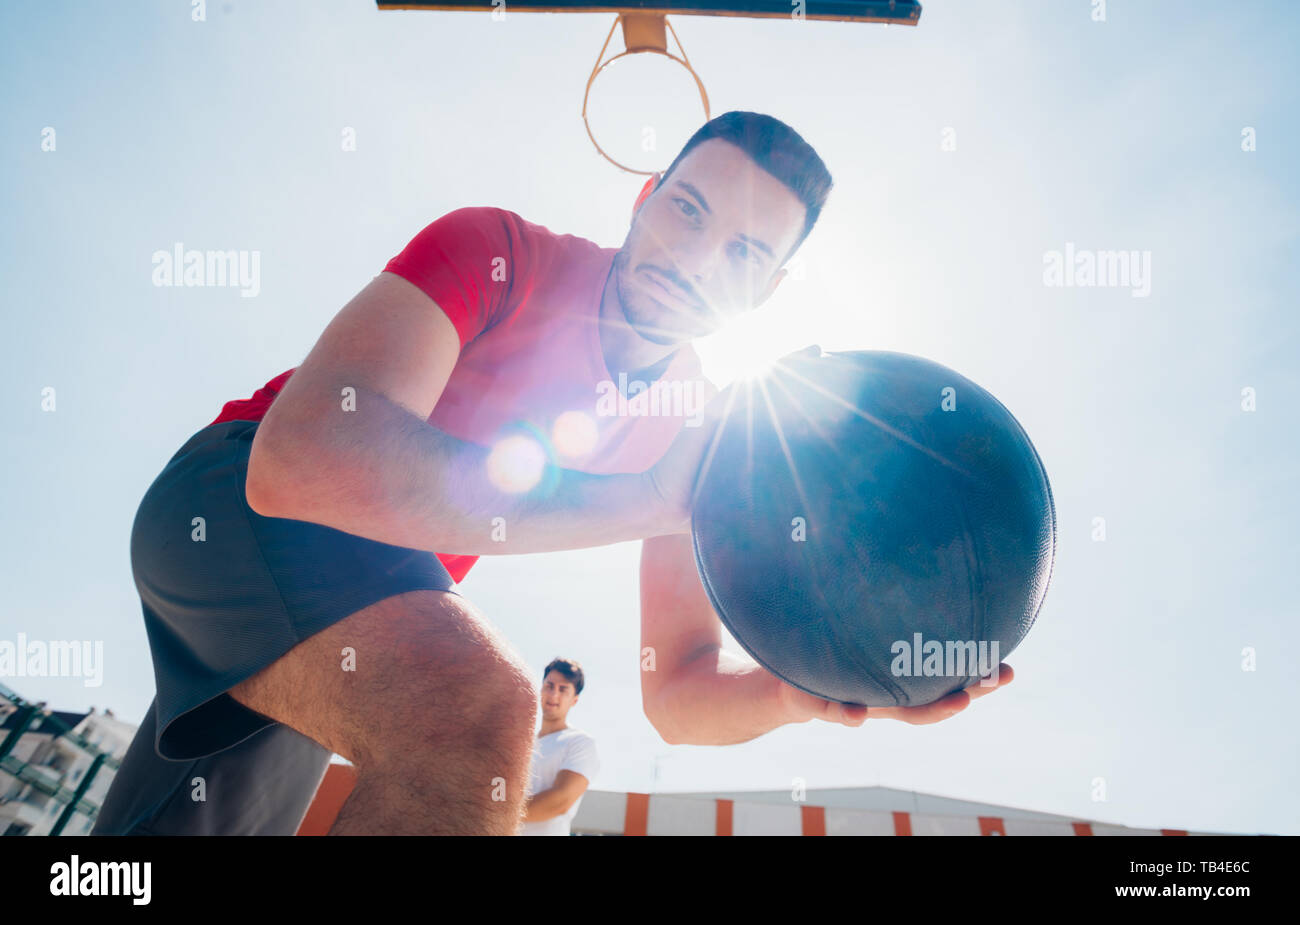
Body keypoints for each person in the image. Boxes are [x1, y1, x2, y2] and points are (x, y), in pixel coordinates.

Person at [93, 111, 1010, 836]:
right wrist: (647, 499)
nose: (697, 258)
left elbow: (679, 696)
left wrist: (799, 687)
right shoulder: (502, 253)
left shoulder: (694, 425)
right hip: (236, 499)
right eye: (688, 210)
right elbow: (305, 462)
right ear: (644, 196)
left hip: (365, 605)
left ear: (766, 292)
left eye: (743, 254)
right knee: (479, 720)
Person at [520, 659, 598, 836]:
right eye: (549, 685)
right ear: (540, 689)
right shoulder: (521, 744)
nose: (554, 694)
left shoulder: (580, 742)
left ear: (574, 700)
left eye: (563, 689)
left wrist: (500, 811)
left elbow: (560, 801)